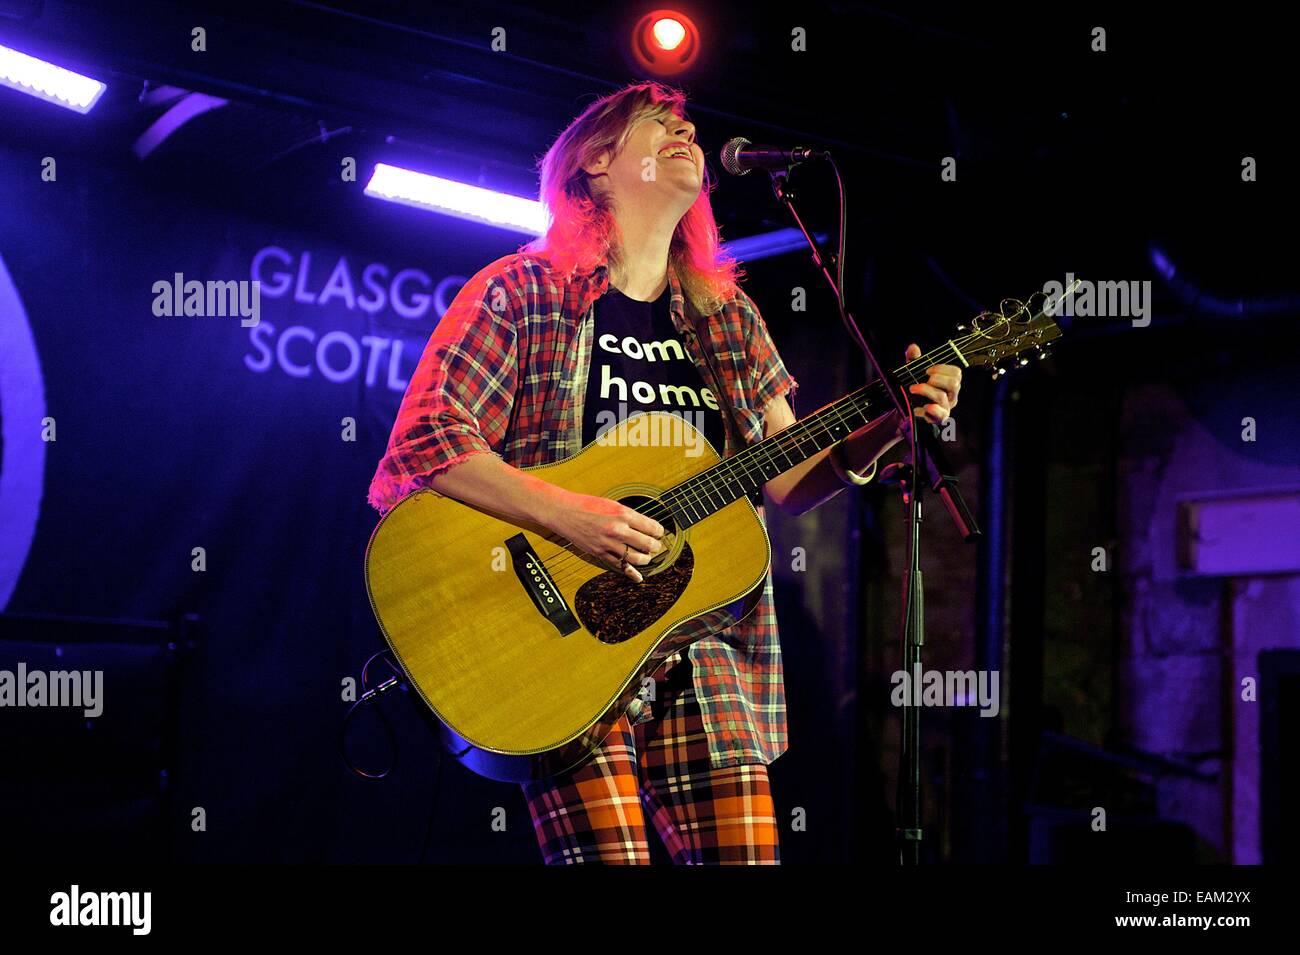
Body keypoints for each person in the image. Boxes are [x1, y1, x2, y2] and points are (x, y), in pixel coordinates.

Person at [367, 80, 961, 864]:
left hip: (707, 653)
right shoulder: (523, 291)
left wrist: (890, 423)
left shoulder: (728, 321)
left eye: (688, 123)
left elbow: (788, 475)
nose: (685, 130)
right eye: (660, 122)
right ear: (597, 161)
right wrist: (567, 514)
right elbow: (428, 438)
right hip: (563, 648)